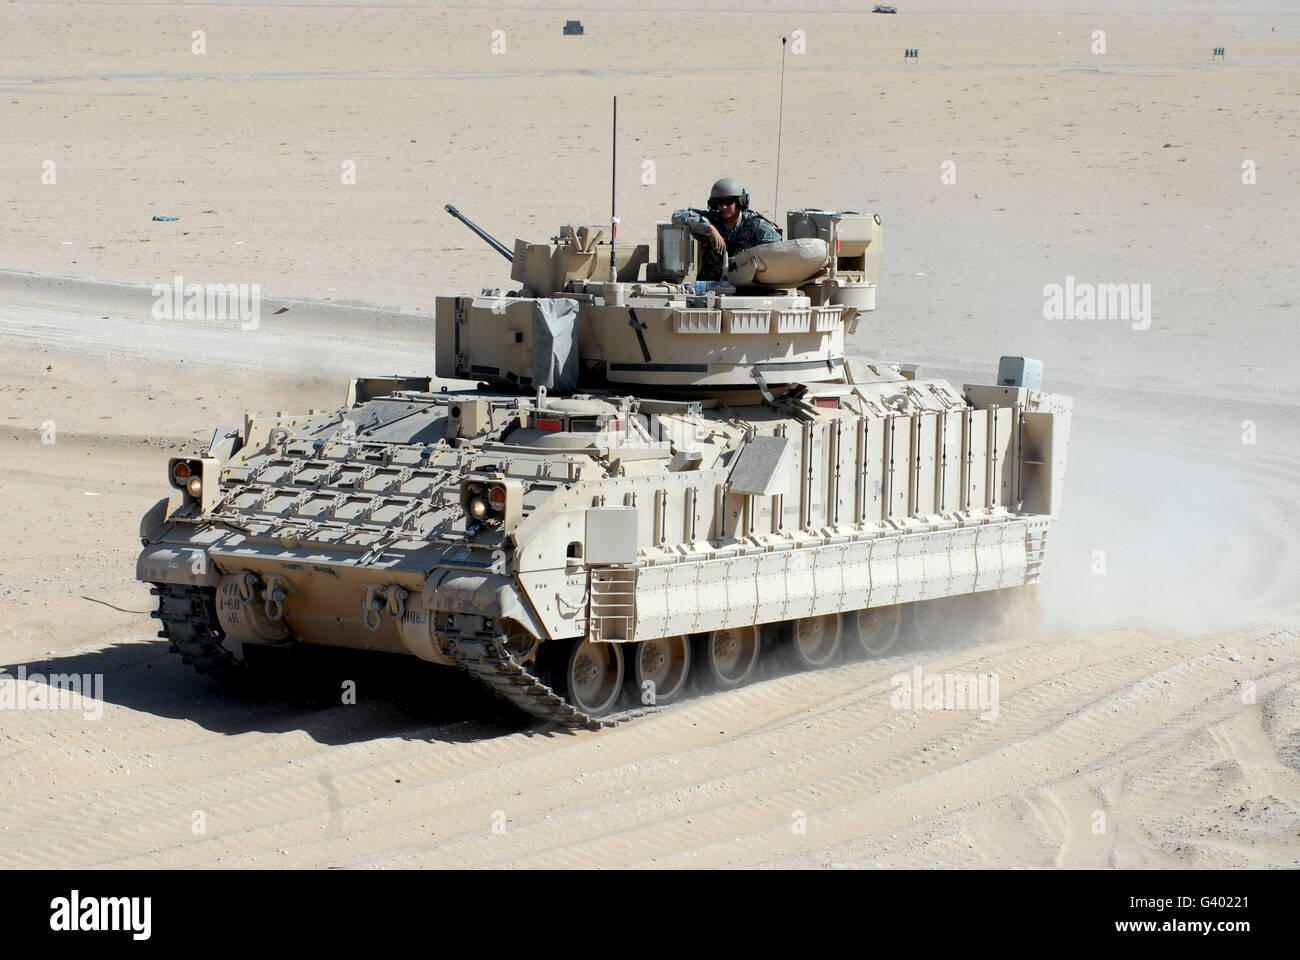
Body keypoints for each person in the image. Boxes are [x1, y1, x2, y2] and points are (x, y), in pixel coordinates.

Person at [672, 177, 782, 281]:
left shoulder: (755, 223)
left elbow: (775, 249)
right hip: (710, 286)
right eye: (719, 203)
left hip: (745, 287)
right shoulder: (711, 219)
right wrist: (709, 227)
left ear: (740, 202)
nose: (723, 207)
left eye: (729, 202)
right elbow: (678, 216)